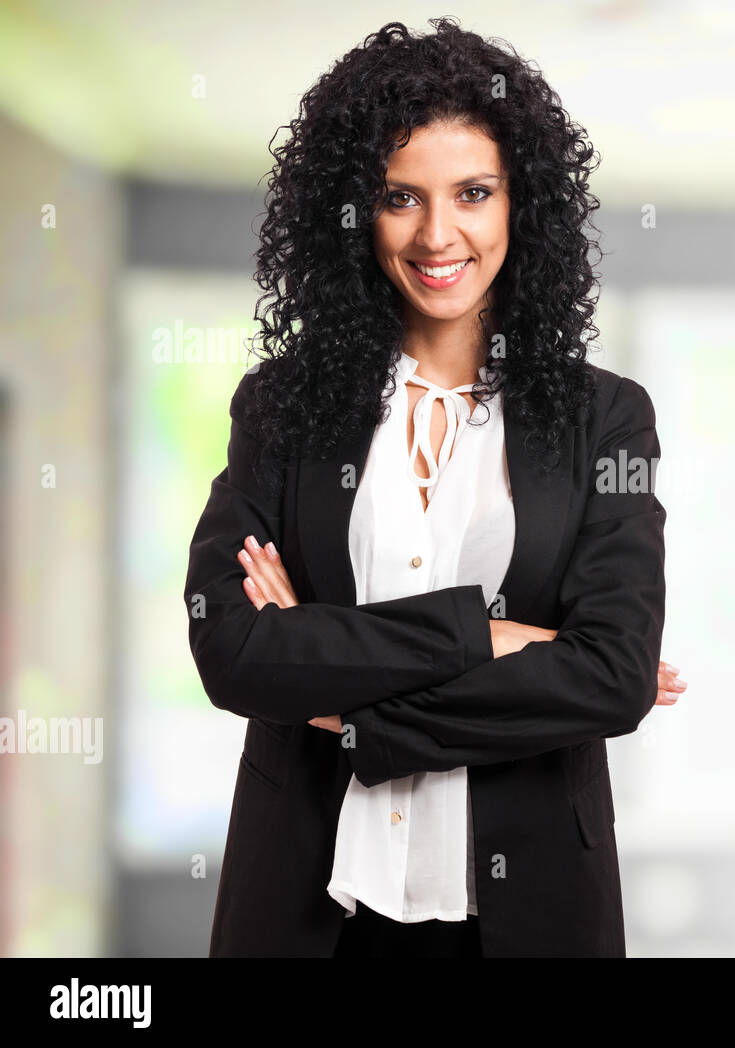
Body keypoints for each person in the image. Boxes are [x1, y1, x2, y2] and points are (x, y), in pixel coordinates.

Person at [184, 17, 684, 958]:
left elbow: (612, 679)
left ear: (519, 206)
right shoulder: (283, 407)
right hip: (306, 906)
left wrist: (340, 707)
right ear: (353, 209)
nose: (438, 234)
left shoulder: (605, 420)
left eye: (474, 194)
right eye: (399, 197)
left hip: (528, 911)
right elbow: (234, 648)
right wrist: (484, 636)